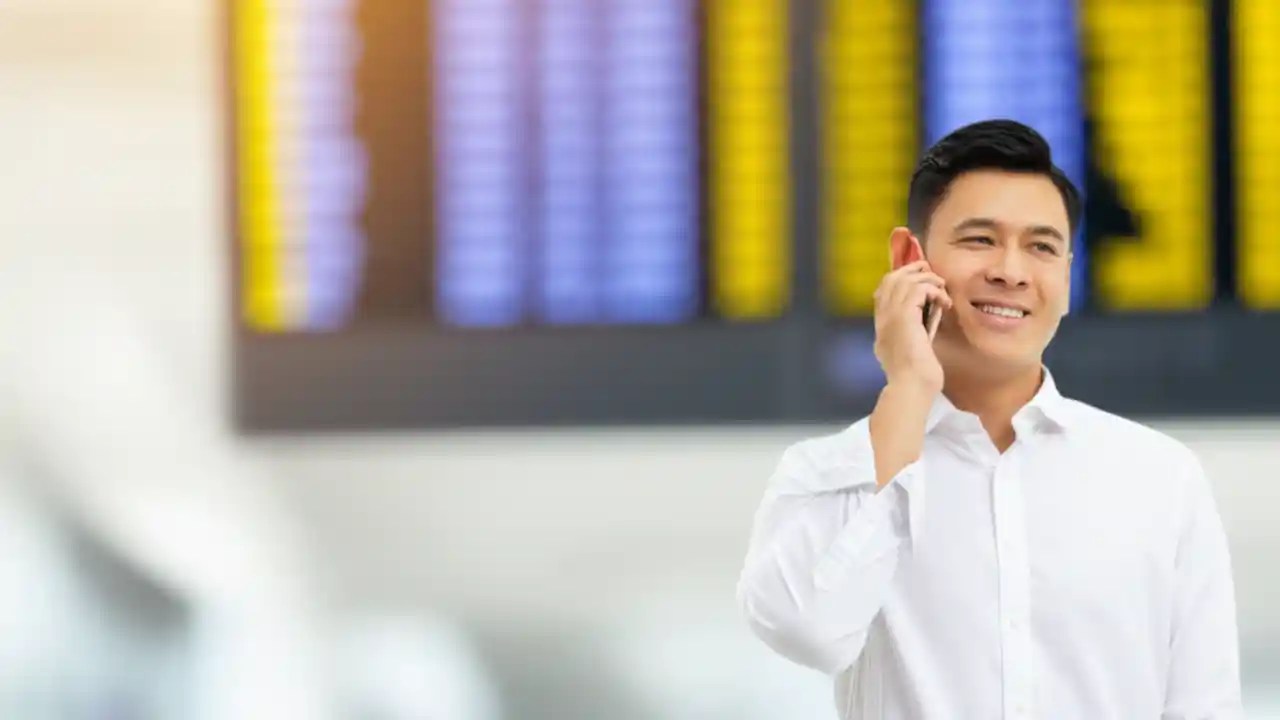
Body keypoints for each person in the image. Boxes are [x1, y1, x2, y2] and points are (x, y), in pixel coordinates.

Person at [737, 120, 1242, 719]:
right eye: (979, 240)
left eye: (1042, 246)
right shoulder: (829, 471)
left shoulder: (1159, 478)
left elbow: (1205, 707)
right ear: (910, 259)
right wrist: (908, 387)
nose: (1011, 270)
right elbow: (807, 628)